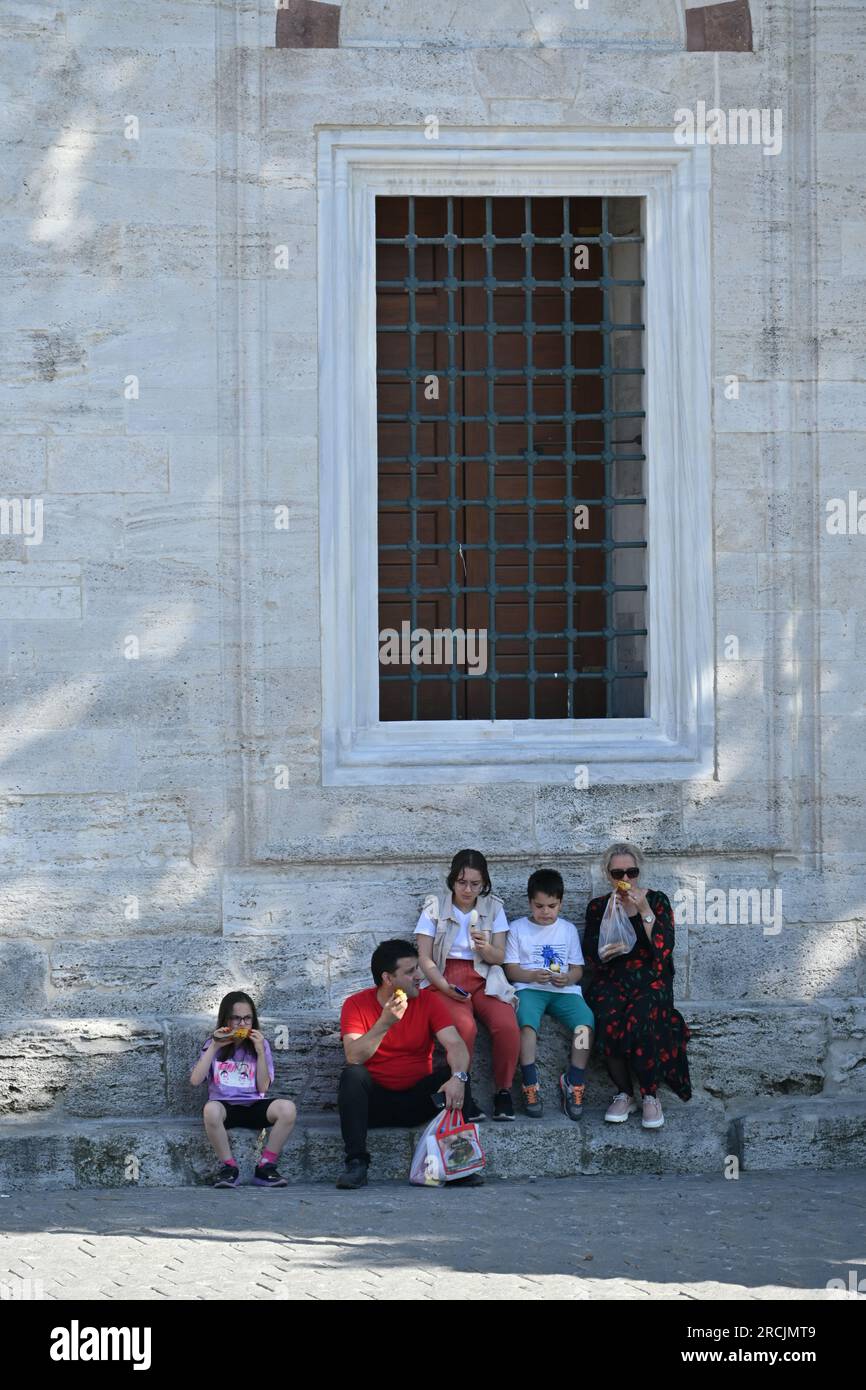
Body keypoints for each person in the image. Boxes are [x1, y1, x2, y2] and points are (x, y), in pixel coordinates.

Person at [336, 939, 482, 1190]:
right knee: (352, 1076)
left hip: (419, 1100)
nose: (419, 976)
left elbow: (456, 1045)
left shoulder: (428, 1001)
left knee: (457, 1075)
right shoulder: (355, 1004)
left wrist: (458, 1078)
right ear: (388, 978)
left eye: (418, 968)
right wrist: (385, 1022)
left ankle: (457, 1164)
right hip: (374, 1105)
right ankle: (357, 1163)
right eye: (410, 971)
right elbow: (354, 1056)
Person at [582, 842, 691, 1128]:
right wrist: (611, 927)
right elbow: (593, 955)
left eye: (631, 872)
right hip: (613, 978)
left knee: (642, 1013)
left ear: (638, 872)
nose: (626, 879)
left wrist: (643, 910)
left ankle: (650, 1095)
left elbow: (664, 948)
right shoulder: (598, 908)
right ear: (608, 875)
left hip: (651, 978)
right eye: (618, 873)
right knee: (606, 1013)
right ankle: (624, 1093)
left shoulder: (657, 901)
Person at [415, 848, 521, 1121]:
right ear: (452, 880)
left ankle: (504, 1092)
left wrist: (485, 947)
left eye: (475, 884)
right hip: (445, 976)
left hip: (485, 976)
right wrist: (443, 985)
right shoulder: (435, 907)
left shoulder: (493, 907)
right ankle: (464, 1093)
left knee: (507, 1025)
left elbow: (499, 957)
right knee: (465, 1028)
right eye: (462, 882)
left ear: (484, 883)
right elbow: (425, 958)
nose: (468, 889)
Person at [504, 868, 595, 1120]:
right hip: (530, 988)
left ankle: (574, 1080)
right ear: (529, 902)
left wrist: (568, 978)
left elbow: (577, 968)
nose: (545, 912)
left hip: (564, 991)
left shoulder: (566, 930)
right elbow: (510, 969)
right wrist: (532, 976)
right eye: (539, 905)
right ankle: (530, 1081)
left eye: (552, 906)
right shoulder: (517, 929)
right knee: (526, 1024)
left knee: (585, 1025)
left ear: (561, 903)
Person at [190, 990, 297, 1187]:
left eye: (247, 1019)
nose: (242, 1024)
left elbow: (263, 1087)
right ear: (226, 1020)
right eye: (236, 1019)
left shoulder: (260, 1045)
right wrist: (214, 1046)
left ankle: (266, 1166)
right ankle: (229, 1167)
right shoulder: (213, 1045)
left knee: (288, 1108)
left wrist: (260, 1052)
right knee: (210, 1109)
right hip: (225, 1108)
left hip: (254, 1106)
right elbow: (196, 1080)